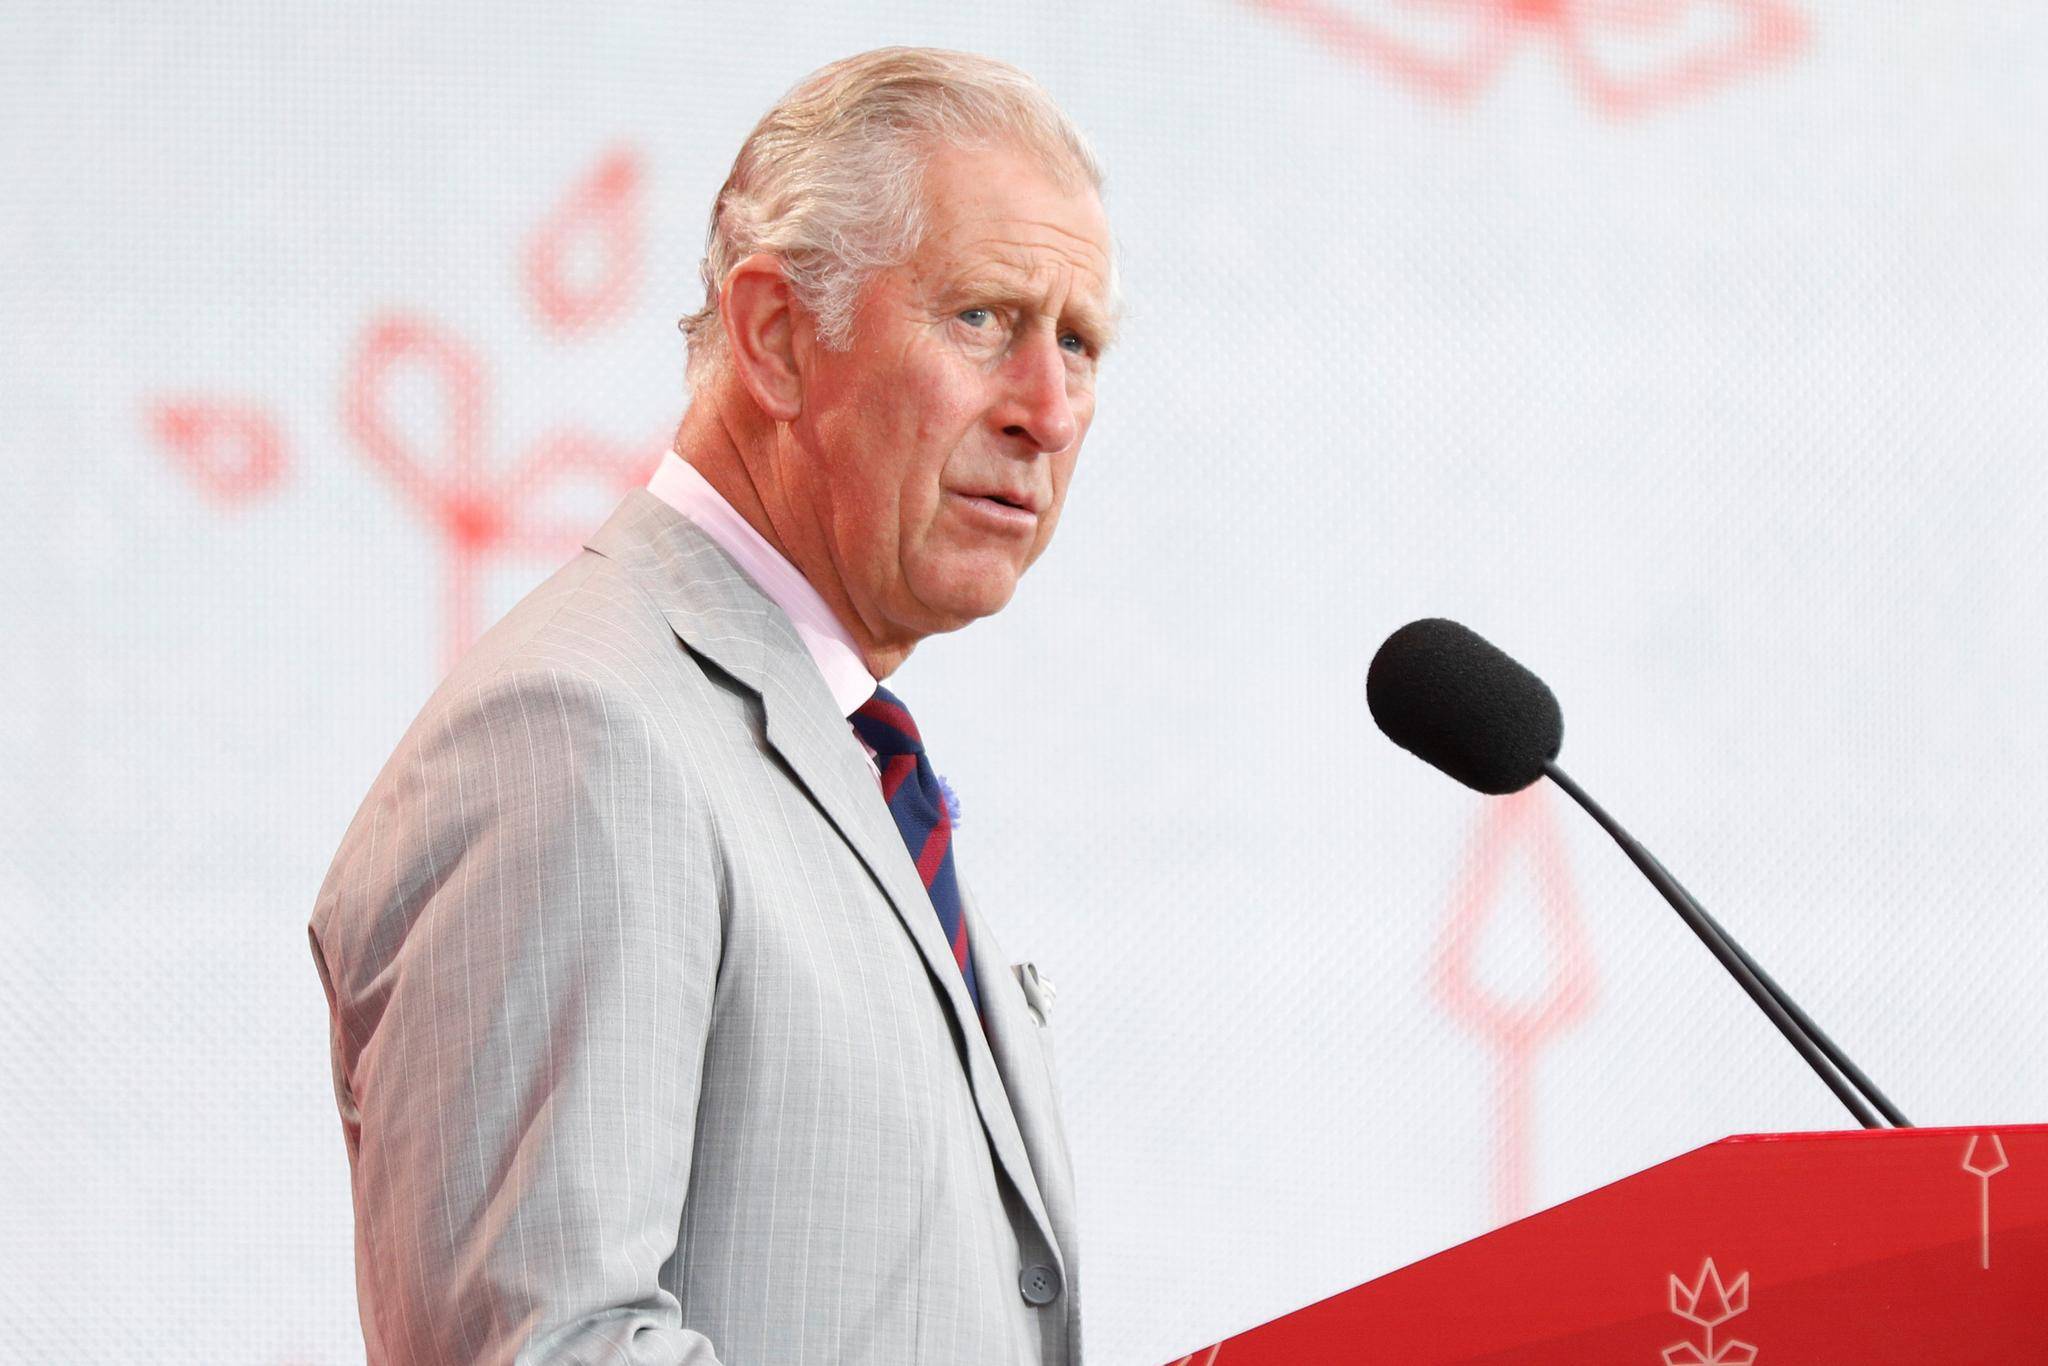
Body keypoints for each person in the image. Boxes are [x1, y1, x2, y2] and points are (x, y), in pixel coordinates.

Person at [308, 46, 1117, 1365]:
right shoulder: (573, 734)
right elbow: (549, 1348)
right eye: (984, 317)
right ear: (778, 336)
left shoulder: (835, 745)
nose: (1049, 409)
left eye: (1079, 342)